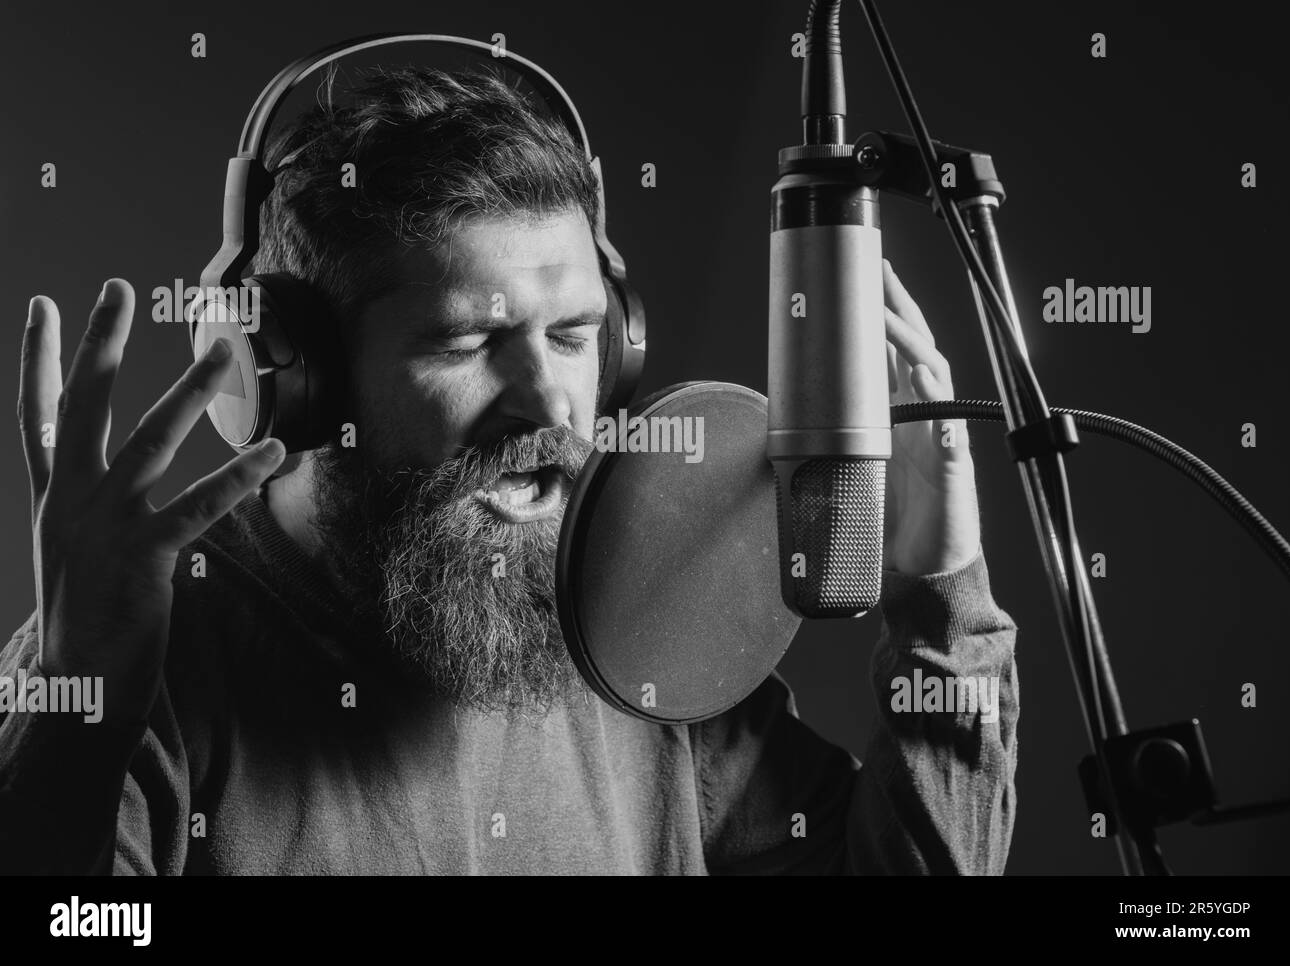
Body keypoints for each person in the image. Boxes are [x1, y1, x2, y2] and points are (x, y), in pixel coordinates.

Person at [0, 64, 1018, 875]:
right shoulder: (133, 654)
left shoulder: (631, 614)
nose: (547, 401)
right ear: (301, 379)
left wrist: (941, 590)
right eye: (468, 341)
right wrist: (83, 709)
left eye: (575, 335)